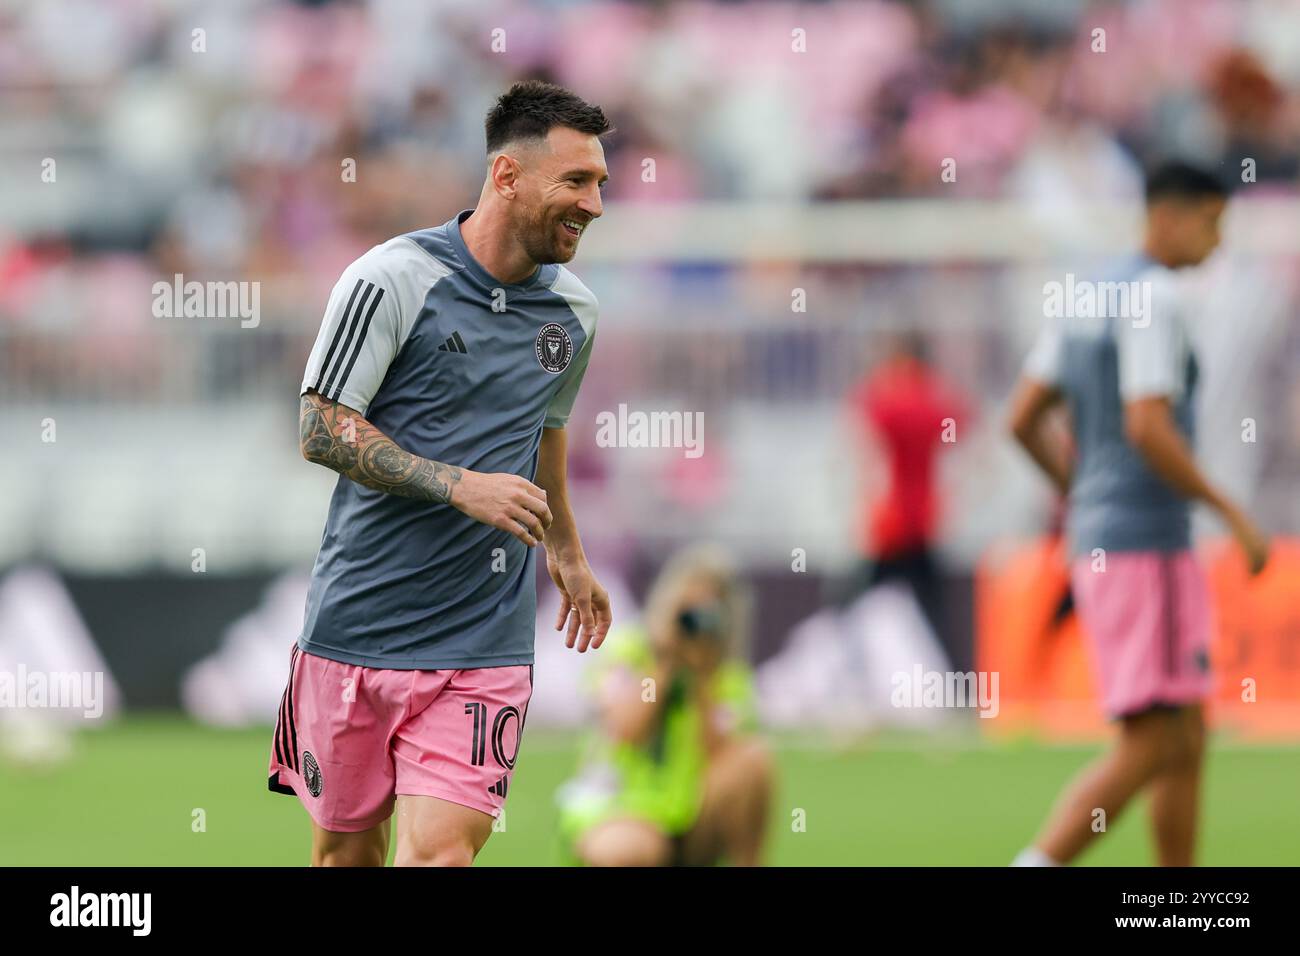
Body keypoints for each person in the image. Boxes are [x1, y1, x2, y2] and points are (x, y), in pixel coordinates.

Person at [267, 80, 615, 866]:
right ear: (506, 176)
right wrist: (459, 484)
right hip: (355, 626)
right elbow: (320, 427)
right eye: (576, 182)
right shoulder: (391, 279)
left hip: (481, 641)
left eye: (600, 184)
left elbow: (546, 430)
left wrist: (565, 552)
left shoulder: (573, 316)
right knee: (343, 858)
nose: (594, 204)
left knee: (439, 857)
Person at [1006, 161, 1269, 867]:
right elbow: (1149, 426)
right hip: (1146, 544)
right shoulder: (1154, 297)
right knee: (1155, 741)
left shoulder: (1088, 292)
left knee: (1186, 730)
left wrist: (1084, 489)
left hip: (1106, 538)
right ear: (1170, 217)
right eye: (1212, 224)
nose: (1217, 245)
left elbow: (1022, 418)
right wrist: (1231, 513)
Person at [558, 545, 773, 866]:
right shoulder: (629, 652)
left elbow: (721, 759)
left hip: (689, 812)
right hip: (621, 805)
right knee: (629, 852)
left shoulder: (726, 676)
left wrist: (701, 678)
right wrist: (665, 662)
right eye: (687, 610)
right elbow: (625, 730)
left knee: (755, 759)